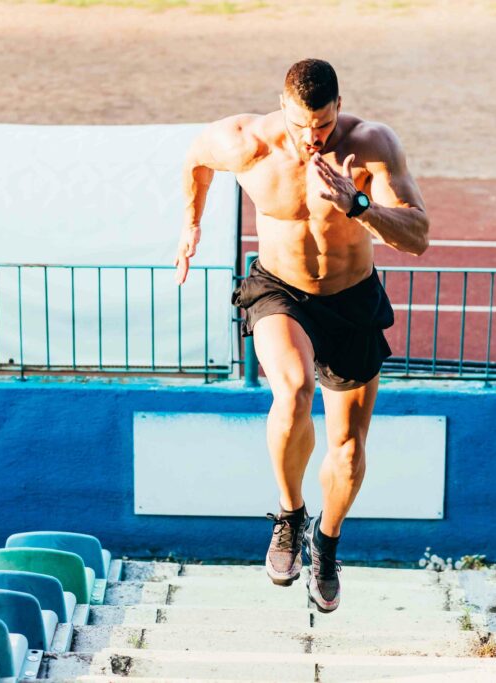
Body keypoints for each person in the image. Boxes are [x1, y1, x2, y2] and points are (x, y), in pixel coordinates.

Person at [175, 58, 430, 612]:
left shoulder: (372, 145)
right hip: (279, 289)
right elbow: (196, 158)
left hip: (352, 298)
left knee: (347, 448)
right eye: (299, 124)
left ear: (338, 106)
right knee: (292, 390)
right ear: (281, 106)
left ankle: (328, 542)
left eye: (320, 124)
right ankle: (290, 515)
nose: (310, 137)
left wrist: (358, 205)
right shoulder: (247, 141)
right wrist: (191, 222)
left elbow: (417, 235)